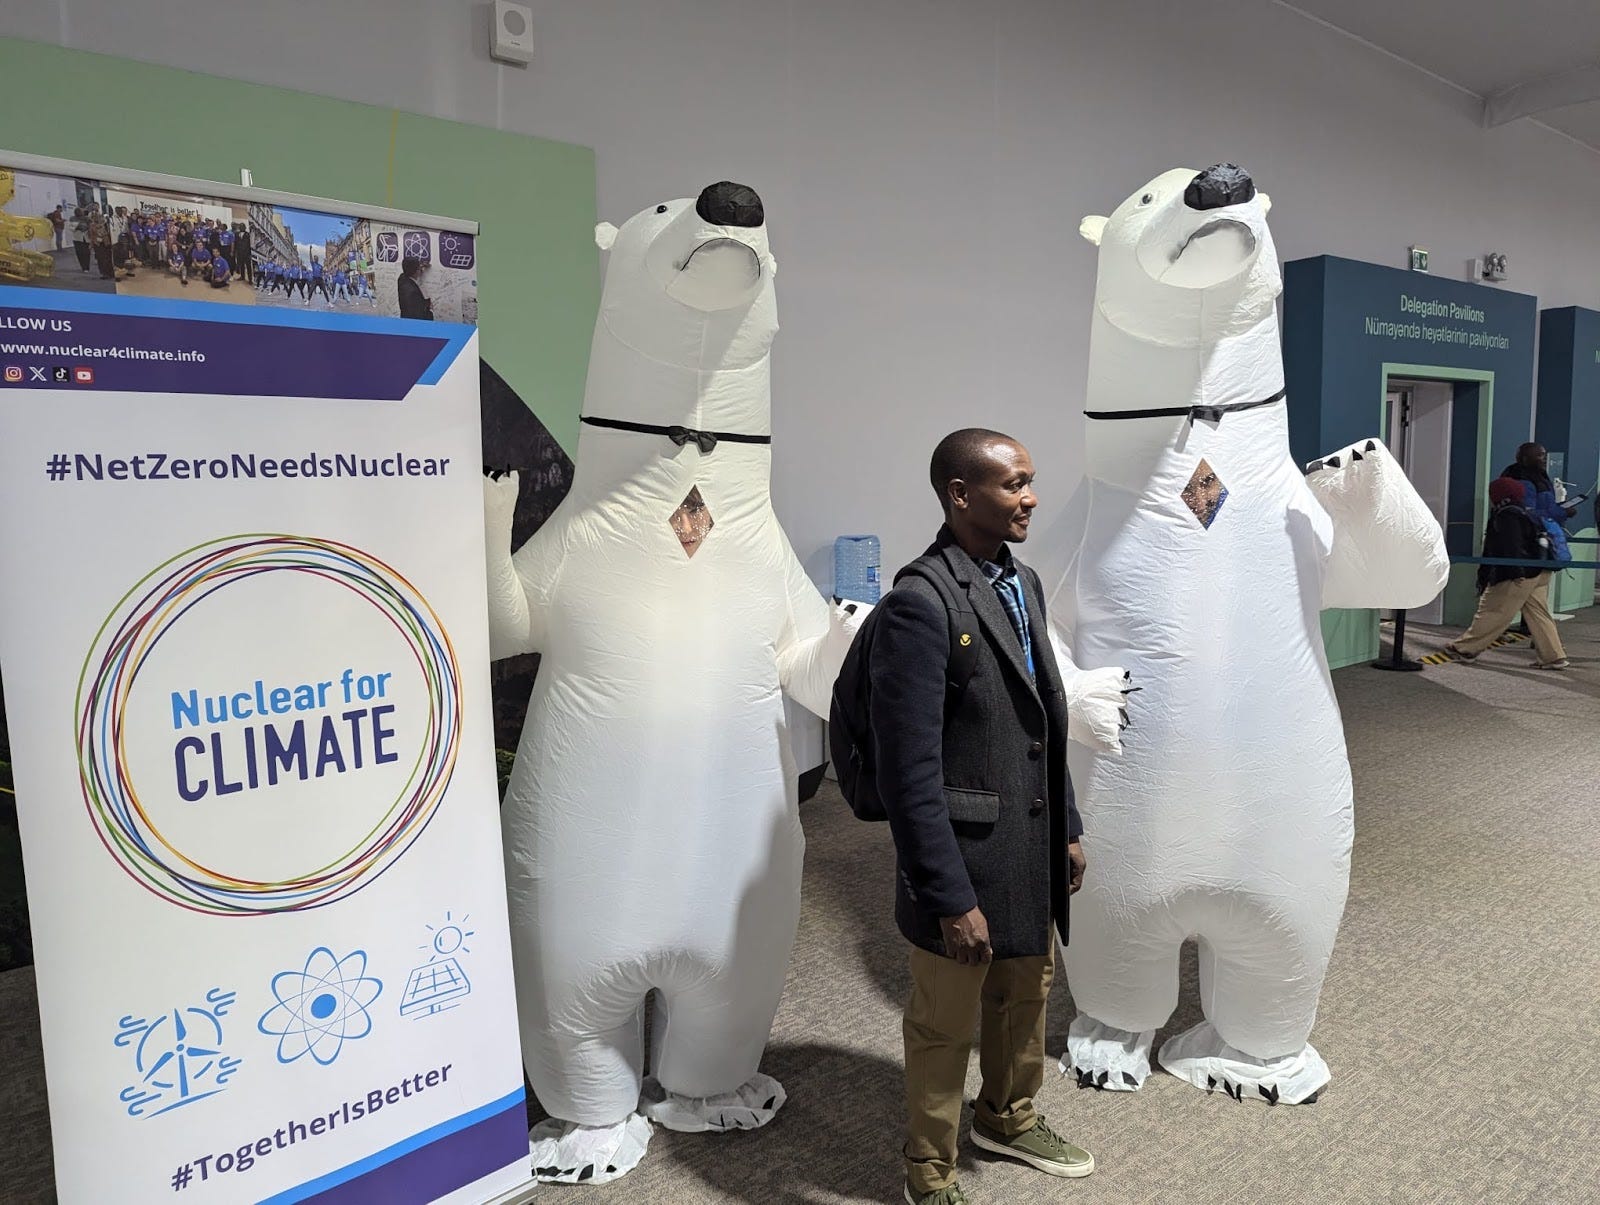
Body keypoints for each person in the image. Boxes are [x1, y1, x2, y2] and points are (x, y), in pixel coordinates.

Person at [871, 429, 1094, 1205]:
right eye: (1013, 484)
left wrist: (1064, 822)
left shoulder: (1021, 580)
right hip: (960, 859)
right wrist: (947, 895)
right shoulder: (919, 602)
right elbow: (909, 771)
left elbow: (1043, 718)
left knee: (1025, 993)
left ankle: (1007, 1113)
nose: (1030, 496)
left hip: (1025, 844)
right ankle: (928, 1171)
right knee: (944, 1025)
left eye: (1031, 480)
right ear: (961, 494)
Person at [1445, 476, 1568, 669]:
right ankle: (1554, 656)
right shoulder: (1526, 512)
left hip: (1518, 573)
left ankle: (1465, 648)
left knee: (1493, 610)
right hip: (1540, 572)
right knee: (1539, 614)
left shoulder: (1506, 515)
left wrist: (1514, 572)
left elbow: (1512, 546)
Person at [397, 256, 434, 320]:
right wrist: (430, 310)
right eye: (419, 268)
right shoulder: (412, 293)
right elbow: (419, 316)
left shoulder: (402, 279)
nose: (420, 270)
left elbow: (408, 269)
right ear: (416, 271)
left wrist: (420, 266)